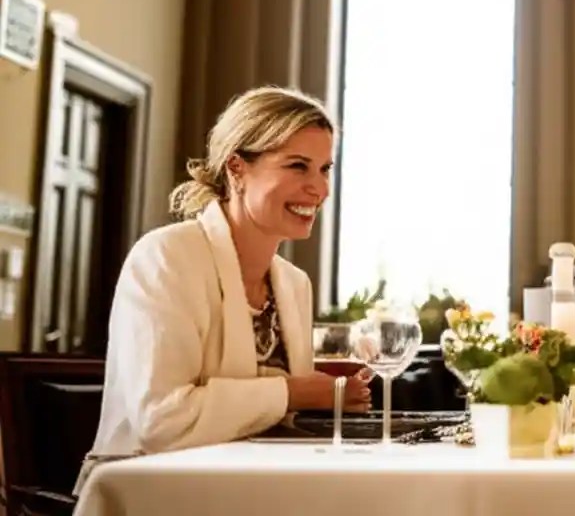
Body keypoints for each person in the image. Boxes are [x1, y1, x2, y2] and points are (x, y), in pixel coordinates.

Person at [81, 87, 371, 474]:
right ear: (236, 168)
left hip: (256, 487)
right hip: (151, 490)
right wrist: (291, 392)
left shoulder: (294, 284)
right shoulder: (166, 257)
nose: (318, 189)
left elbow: (275, 420)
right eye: (298, 166)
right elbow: (162, 422)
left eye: (325, 168)